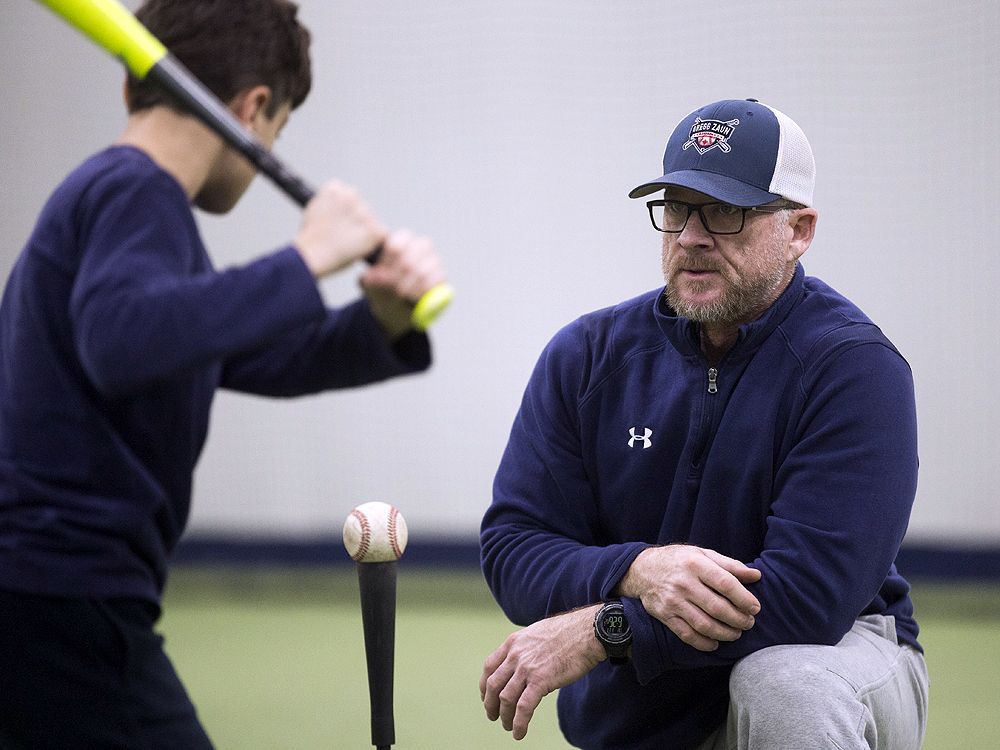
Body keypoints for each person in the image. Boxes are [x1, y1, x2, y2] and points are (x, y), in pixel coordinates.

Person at [0, 1, 446, 747]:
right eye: (278, 129)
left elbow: (249, 350)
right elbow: (122, 342)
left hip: (47, 600)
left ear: (128, 90)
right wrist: (306, 257)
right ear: (254, 107)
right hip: (60, 594)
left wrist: (383, 322)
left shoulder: (123, 206)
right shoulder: (136, 191)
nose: (270, 142)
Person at [479, 98, 928, 749]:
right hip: (650, 717)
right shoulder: (586, 355)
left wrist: (606, 629)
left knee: (782, 683)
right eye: (678, 207)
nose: (691, 234)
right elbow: (514, 547)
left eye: (725, 211)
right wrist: (638, 571)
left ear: (799, 230)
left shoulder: (853, 367)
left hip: (840, 655)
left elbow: (806, 600)